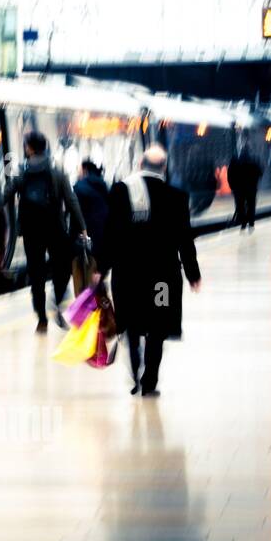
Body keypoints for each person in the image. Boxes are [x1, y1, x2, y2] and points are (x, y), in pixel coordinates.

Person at [100, 145, 201, 397]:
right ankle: (150, 380)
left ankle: (135, 372)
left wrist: (100, 268)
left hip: (128, 277)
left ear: (139, 165)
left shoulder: (121, 191)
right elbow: (184, 239)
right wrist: (193, 274)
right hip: (162, 279)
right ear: (164, 168)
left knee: (131, 325)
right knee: (158, 326)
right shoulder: (177, 197)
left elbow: (110, 234)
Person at [3, 131, 89, 333]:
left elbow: (5, 196)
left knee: (36, 275)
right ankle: (58, 300)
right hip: (56, 229)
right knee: (62, 270)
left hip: (32, 232)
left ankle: (42, 319)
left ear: (29, 148)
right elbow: (71, 200)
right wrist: (82, 226)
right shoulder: (56, 171)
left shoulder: (21, 172)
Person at [74, 160, 110, 263]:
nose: (78, 173)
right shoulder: (104, 184)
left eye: (79, 170)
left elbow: (75, 213)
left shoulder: (79, 186)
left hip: (87, 230)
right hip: (103, 230)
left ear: (85, 170)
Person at [227, 140, 262, 231]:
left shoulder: (235, 160)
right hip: (251, 188)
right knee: (251, 205)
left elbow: (230, 174)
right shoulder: (254, 160)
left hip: (239, 189)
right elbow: (260, 172)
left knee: (240, 206)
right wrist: (255, 182)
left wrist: (232, 187)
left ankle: (243, 223)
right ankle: (251, 223)